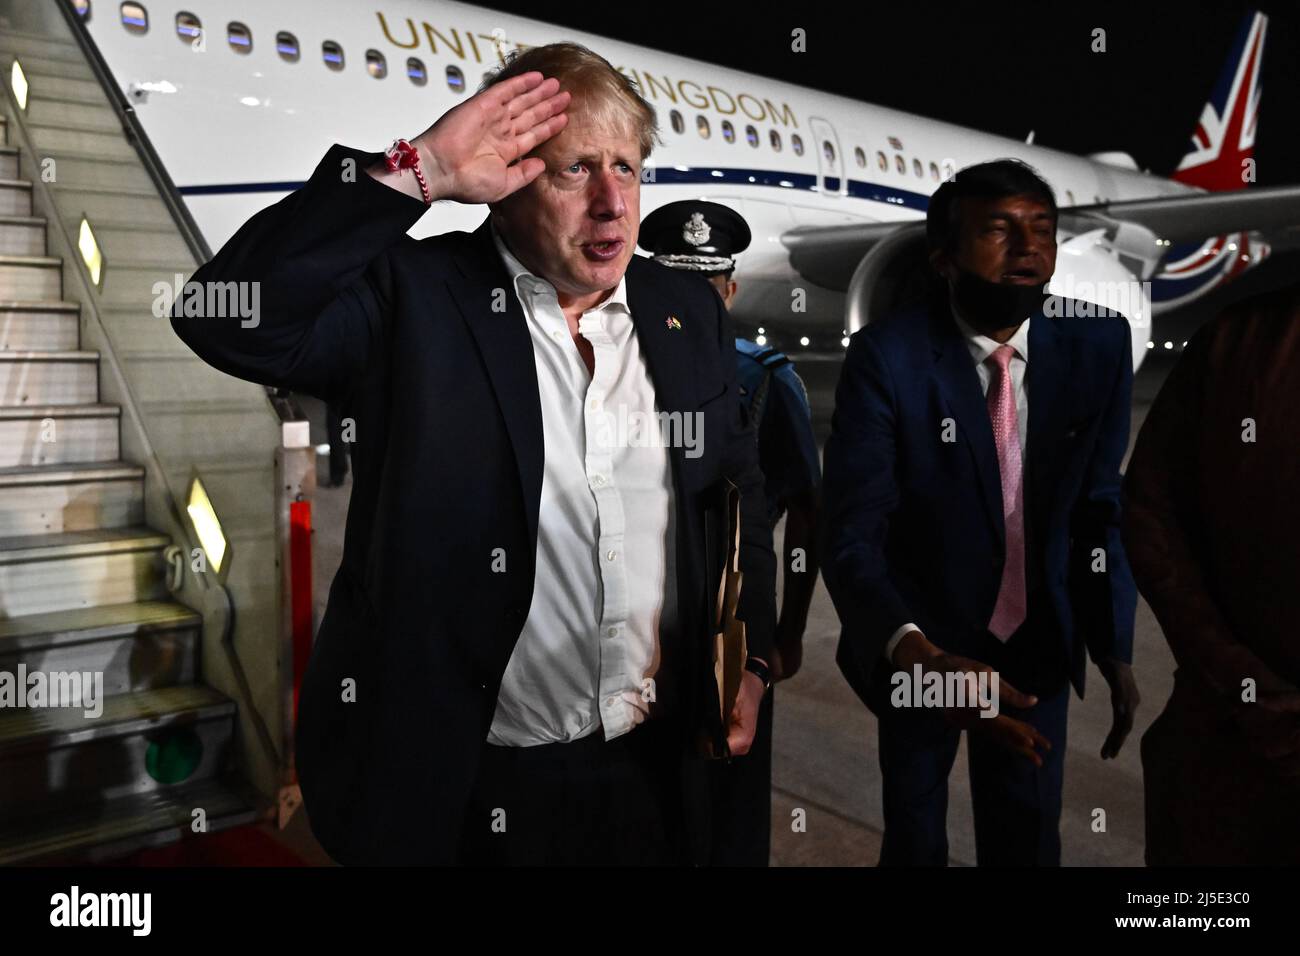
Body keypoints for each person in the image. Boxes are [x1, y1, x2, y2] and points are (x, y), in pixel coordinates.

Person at [170, 42, 776, 866]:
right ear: (508, 176)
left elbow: (737, 489)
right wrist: (419, 172)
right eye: (574, 172)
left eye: (626, 170)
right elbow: (221, 317)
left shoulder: (685, 313)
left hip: (654, 773)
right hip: (467, 785)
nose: (611, 207)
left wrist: (754, 659)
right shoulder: (416, 297)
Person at [821, 159, 1139, 866]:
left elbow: (1098, 510)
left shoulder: (1099, 345)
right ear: (942, 258)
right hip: (920, 644)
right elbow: (852, 530)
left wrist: (1114, 646)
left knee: (1026, 843)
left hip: (1034, 646)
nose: (1029, 248)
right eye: (999, 230)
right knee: (914, 839)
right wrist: (917, 655)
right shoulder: (890, 354)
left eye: (1043, 230)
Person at [640, 200, 822, 865]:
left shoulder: (764, 378)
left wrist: (783, 635)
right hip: (638, 616)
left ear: (731, 290)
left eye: (707, 286)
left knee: (729, 804)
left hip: (729, 615)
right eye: (675, 282)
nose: (692, 302)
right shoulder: (613, 368)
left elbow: (806, 514)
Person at [1124, 284, 1300, 865]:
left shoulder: (1237, 336)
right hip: (1229, 746)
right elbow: (1151, 515)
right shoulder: (1235, 339)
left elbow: (1153, 522)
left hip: (1228, 738)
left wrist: (1243, 688)